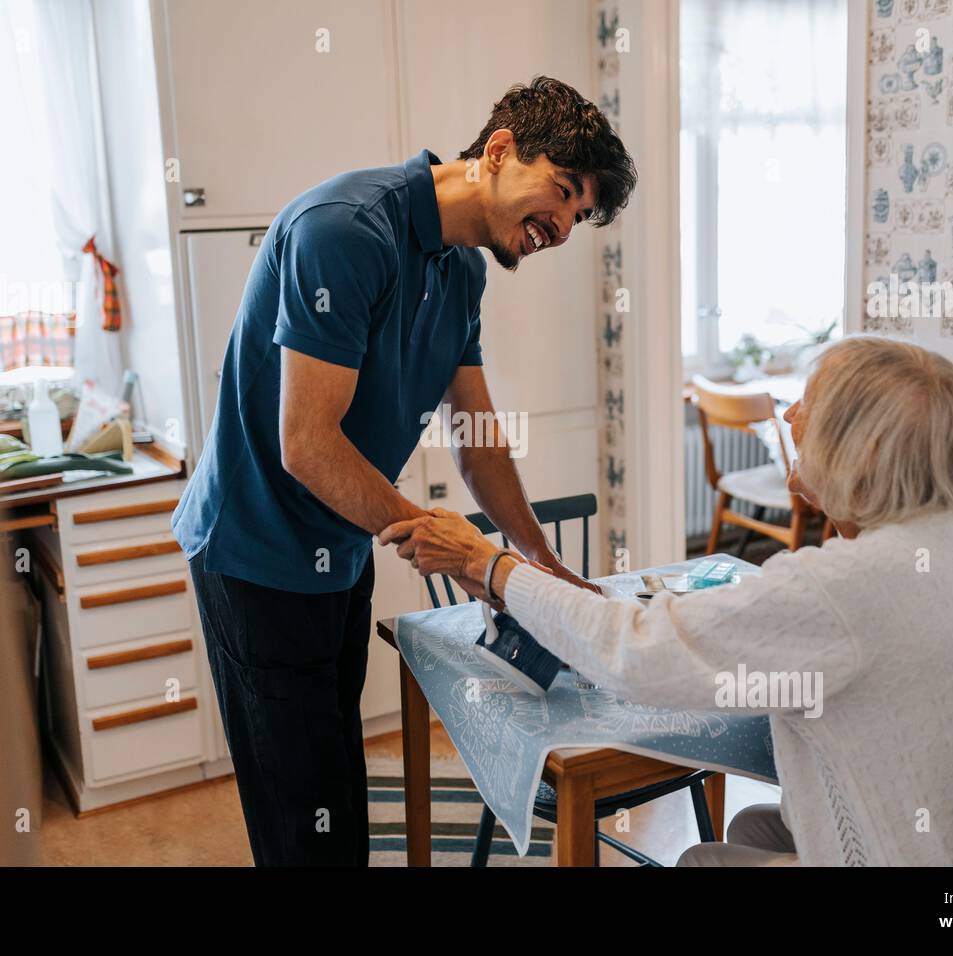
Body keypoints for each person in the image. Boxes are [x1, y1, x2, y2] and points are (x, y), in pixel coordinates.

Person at [172, 77, 636, 866]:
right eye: (561, 193)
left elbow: (478, 435)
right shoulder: (347, 232)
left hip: (338, 546)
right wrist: (456, 551)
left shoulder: (463, 270)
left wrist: (536, 562)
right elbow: (307, 444)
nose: (561, 227)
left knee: (335, 780)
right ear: (497, 152)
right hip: (255, 552)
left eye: (578, 216)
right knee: (300, 808)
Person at [381, 336, 953, 866]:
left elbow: (636, 651)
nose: (790, 415)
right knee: (753, 824)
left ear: (863, 454)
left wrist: (488, 564)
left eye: (808, 405)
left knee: (700, 861)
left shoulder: (843, 586)